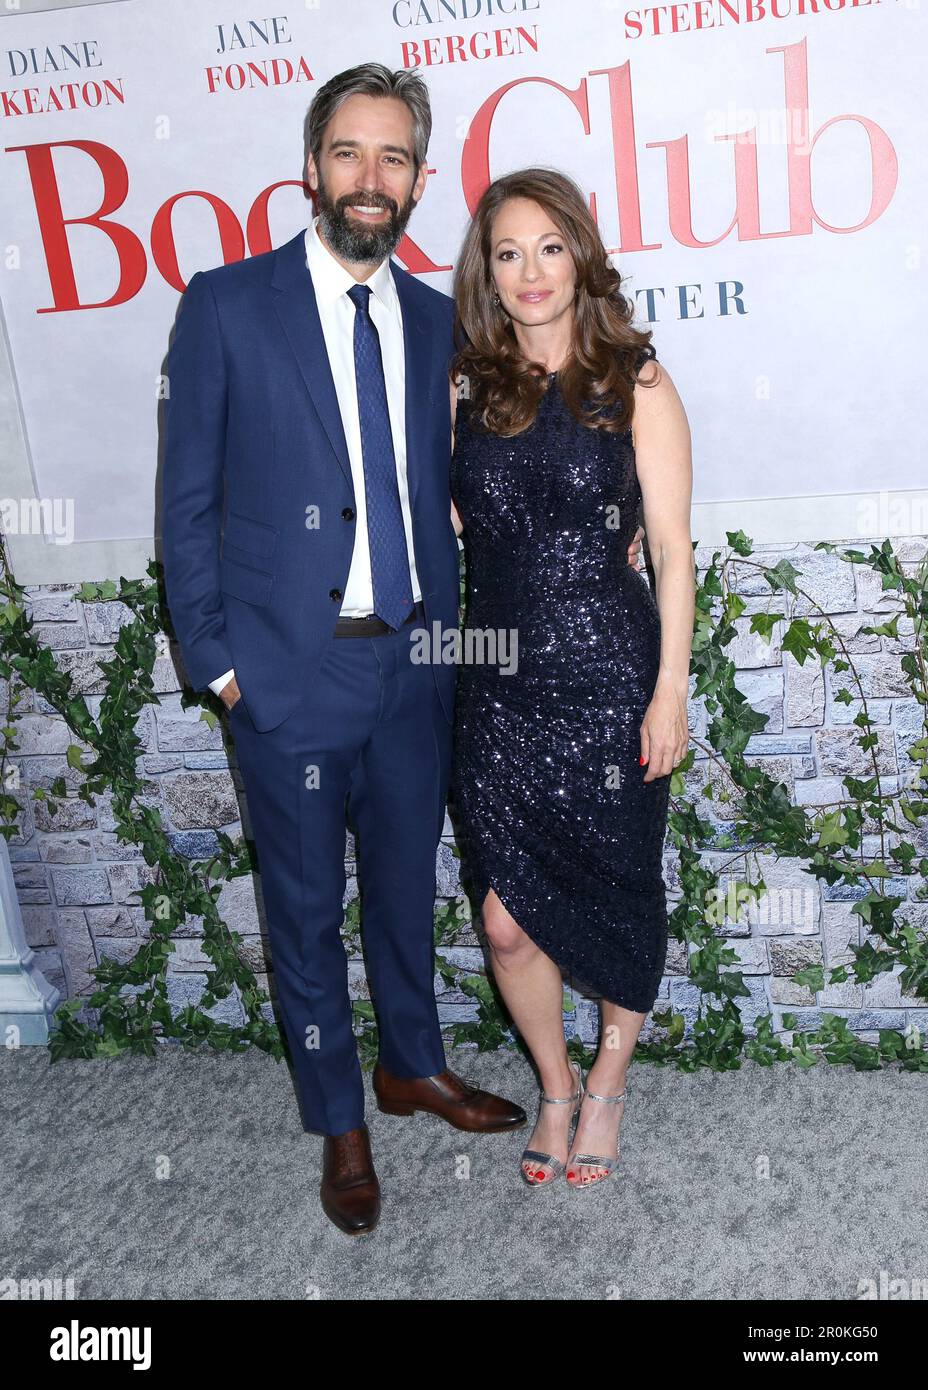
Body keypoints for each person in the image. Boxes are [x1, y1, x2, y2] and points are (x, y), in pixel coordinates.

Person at [161, 64, 536, 1238]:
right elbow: (186, 503)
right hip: (290, 673)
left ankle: (411, 1065)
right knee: (306, 911)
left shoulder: (434, 321)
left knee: (406, 889)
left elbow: (462, 479)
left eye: (393, 158)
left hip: (413, 666)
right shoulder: (227, 306)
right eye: (348, 153)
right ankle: (340, 1122)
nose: (369, 178)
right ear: (310, 168)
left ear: (418, 181)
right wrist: (221, 666)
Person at [448, 168, 694, 1190]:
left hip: (609, 672)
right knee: (505, 919)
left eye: (549, 247)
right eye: (508, 253)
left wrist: (669, 688)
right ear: (487, 271)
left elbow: (670, 548)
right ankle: (554, 1085)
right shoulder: (466, 389)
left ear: (581, 256)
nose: (531, 271)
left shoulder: (635, 380)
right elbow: (446, 528)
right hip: (497, 679)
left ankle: (608, 1081)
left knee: (619, 889)